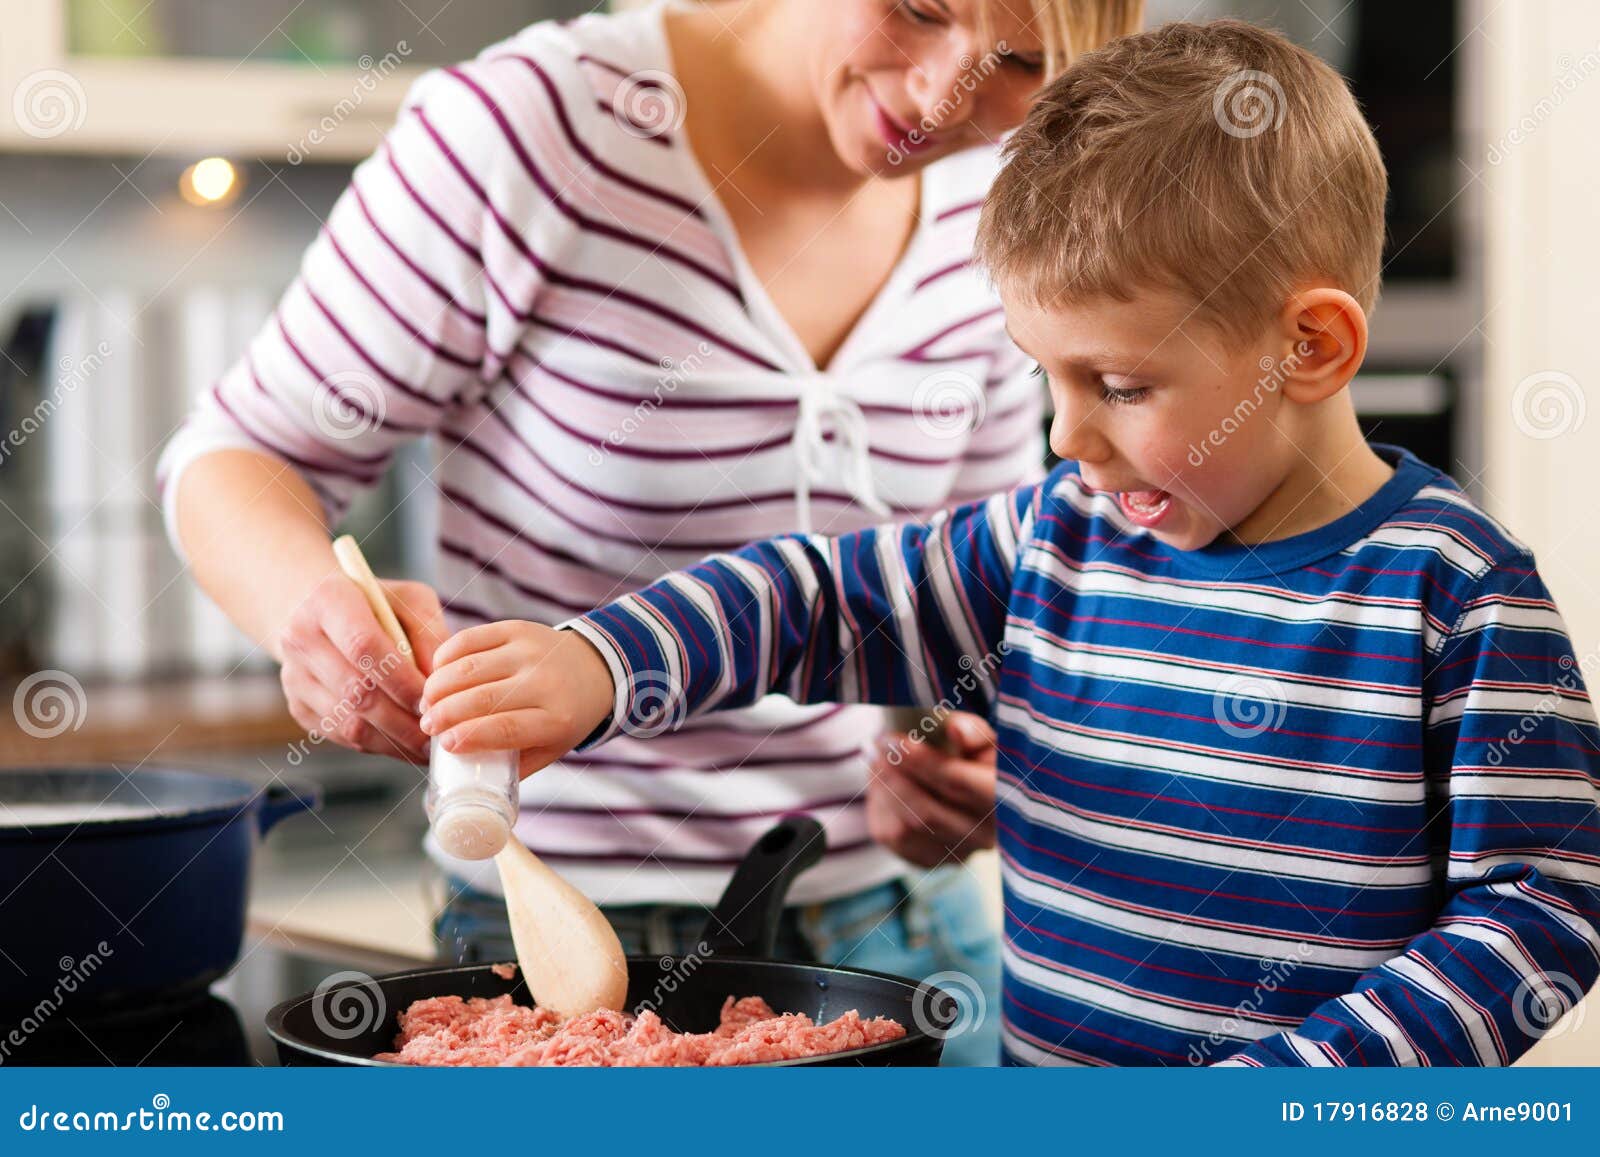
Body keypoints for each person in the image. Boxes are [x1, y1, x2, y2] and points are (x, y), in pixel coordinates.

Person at [409, 19, 1600, 1066]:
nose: (1066, 433)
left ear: (1312, 348)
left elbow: (1537, 910)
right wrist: (604, 665)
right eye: (1047, 378)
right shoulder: (1053, 544)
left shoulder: (1455, 595)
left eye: (1120, 383)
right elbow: (814, 595)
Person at [158, 0, 1144, 1066]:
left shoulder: (1010, 193)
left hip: (901, 939)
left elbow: (967, 592)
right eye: (918, 9)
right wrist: (312, 615)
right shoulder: (534, 131)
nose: (942, 94)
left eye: (1018, 60)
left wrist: (963, 759)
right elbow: (237, 455)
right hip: (556, 946)